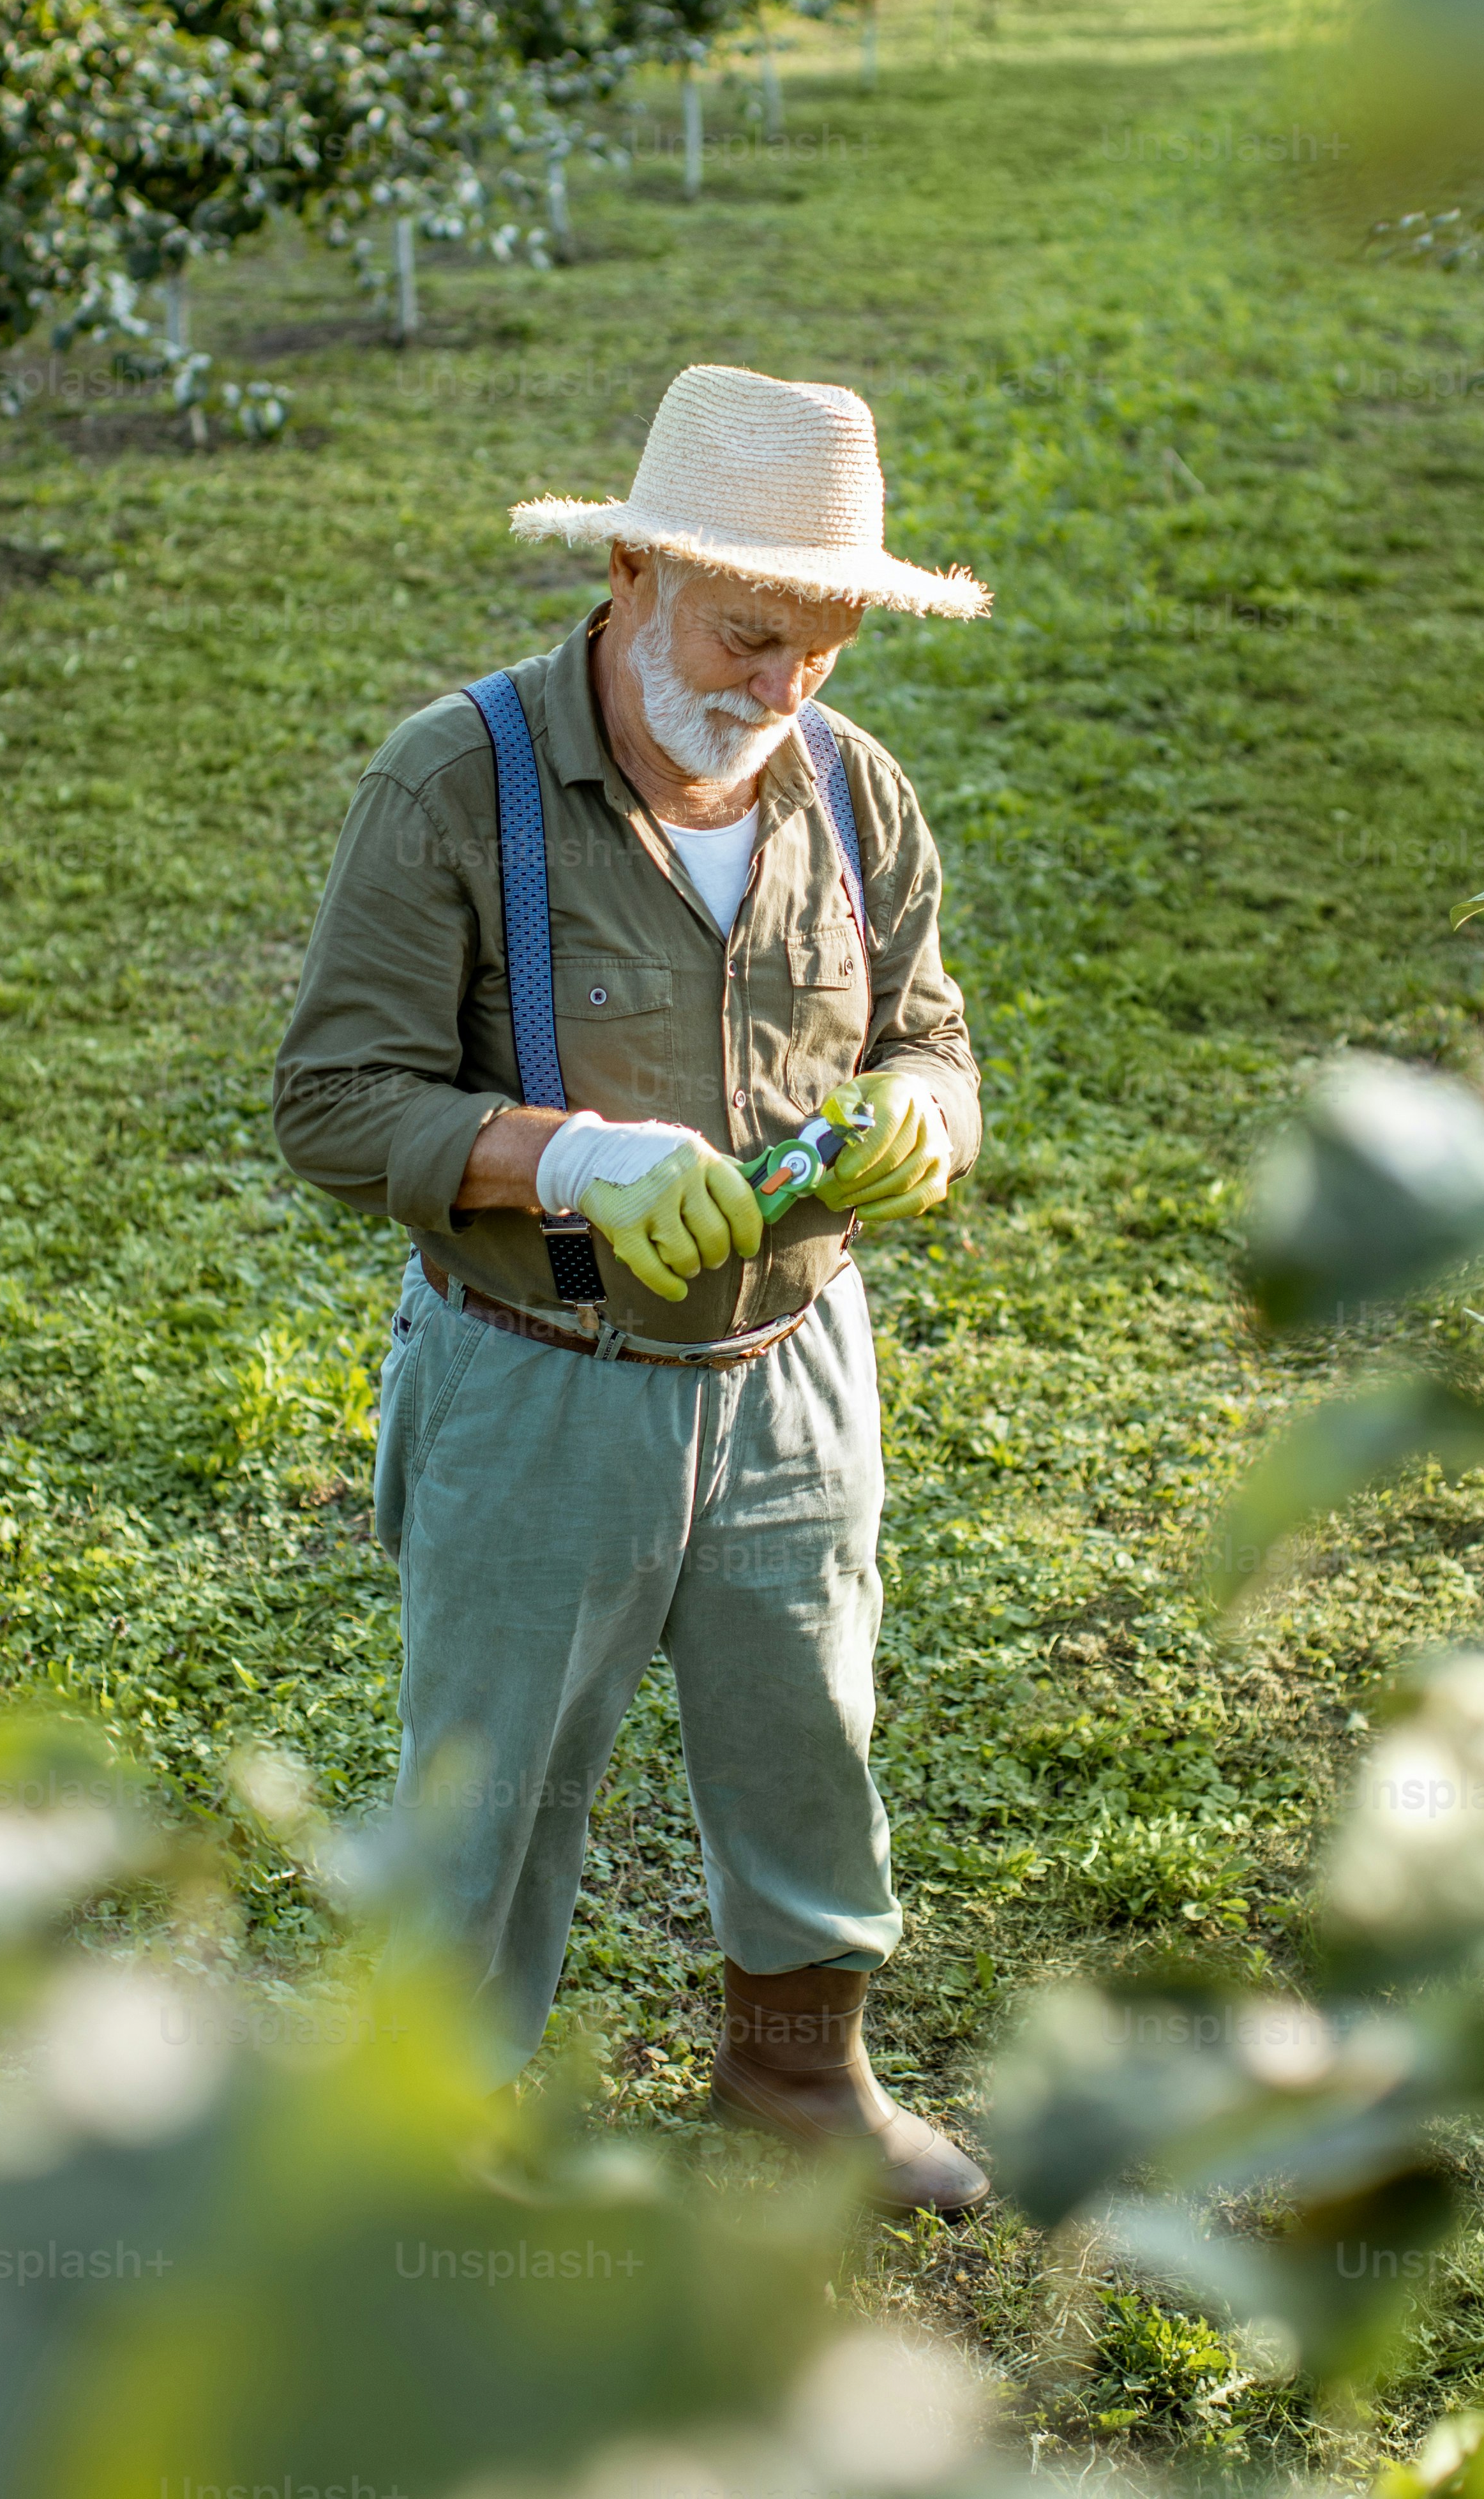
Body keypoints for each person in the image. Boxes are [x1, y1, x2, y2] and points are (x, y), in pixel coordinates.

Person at [271, 363, 993, 2213]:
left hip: (792, 1369)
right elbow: (336, 1104)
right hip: (540, 1366)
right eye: (753, 638)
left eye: (822, 654)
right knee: (491, 1786)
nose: (781, 693)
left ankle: (798, 2082)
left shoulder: (852, 791)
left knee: (807, 1736)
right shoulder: (458, 782)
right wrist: (573, 1158)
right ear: (632, 569)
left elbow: (931, 1028)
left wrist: (926, 1110)